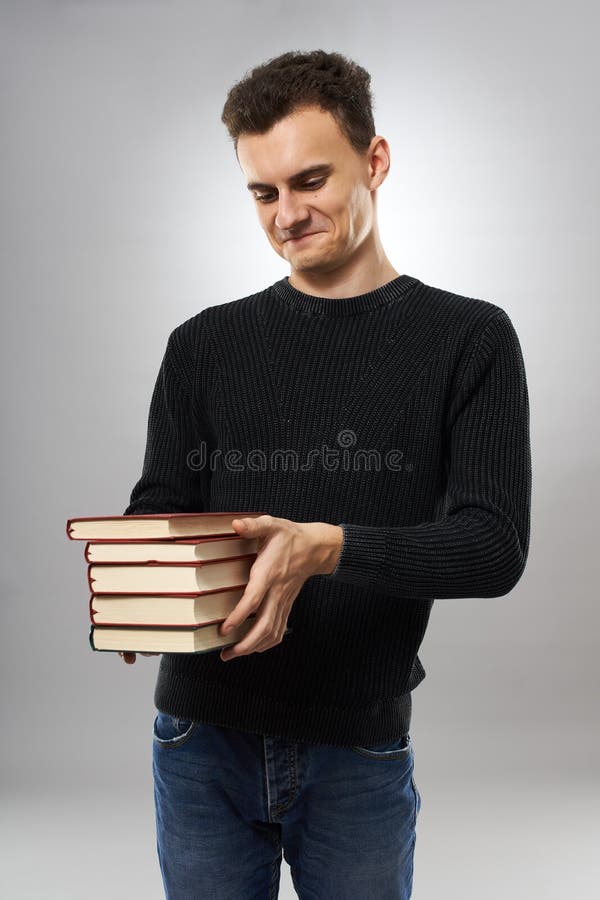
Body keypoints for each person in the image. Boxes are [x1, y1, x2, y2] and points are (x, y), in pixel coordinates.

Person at [121, 49, 531, 899]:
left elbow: (493, 547)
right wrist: (139, 583)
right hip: (198, 735)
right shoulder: (203, 344)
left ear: (374, 161)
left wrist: (329, 547)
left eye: (310, 181)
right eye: (262, 193)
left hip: (356, 743)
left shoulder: (469, 339)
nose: (286, 216)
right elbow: (160, 504)